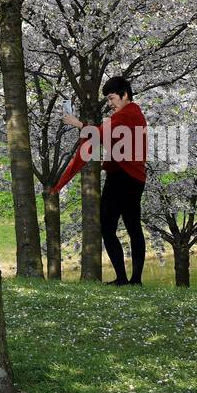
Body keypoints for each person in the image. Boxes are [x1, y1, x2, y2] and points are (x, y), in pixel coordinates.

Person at [49, 76, 147, 285]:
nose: (110, 104)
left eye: (112, 99)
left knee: (108, 227)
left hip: (121, 177)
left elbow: (101, 134)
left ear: (125, 95)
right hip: (135, 178)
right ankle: (135, 280)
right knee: (133, 227)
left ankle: (123, 278)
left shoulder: (127, 114)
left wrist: (77, 123)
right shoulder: (133, 114)